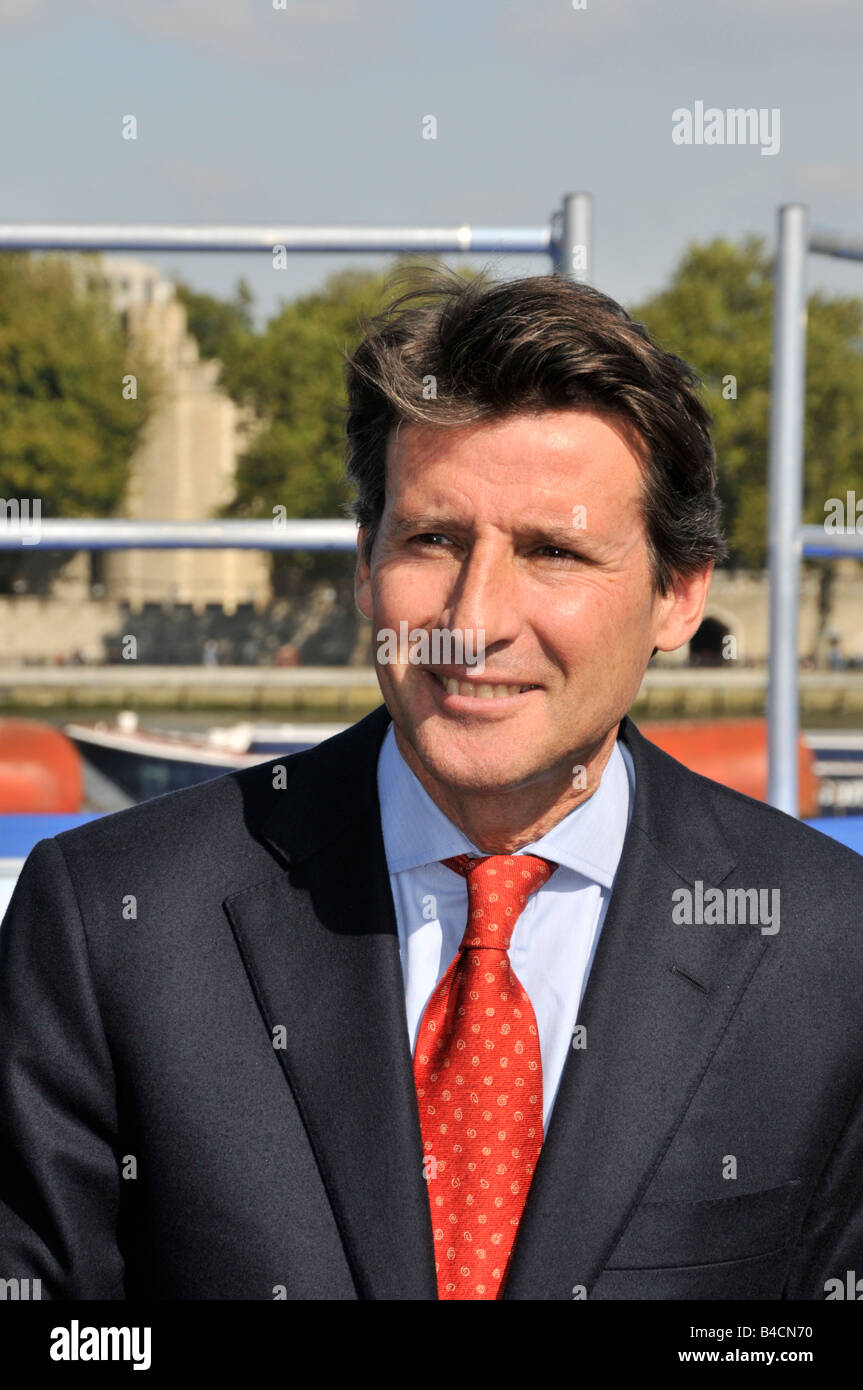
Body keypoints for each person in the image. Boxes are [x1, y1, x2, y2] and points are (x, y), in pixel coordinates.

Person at [1, 271, 861, 1301]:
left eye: (552, 551)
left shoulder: (827, 953)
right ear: (364, 563)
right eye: (433, 540)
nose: (472, 617)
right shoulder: (113, 927)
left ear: (678, 595)